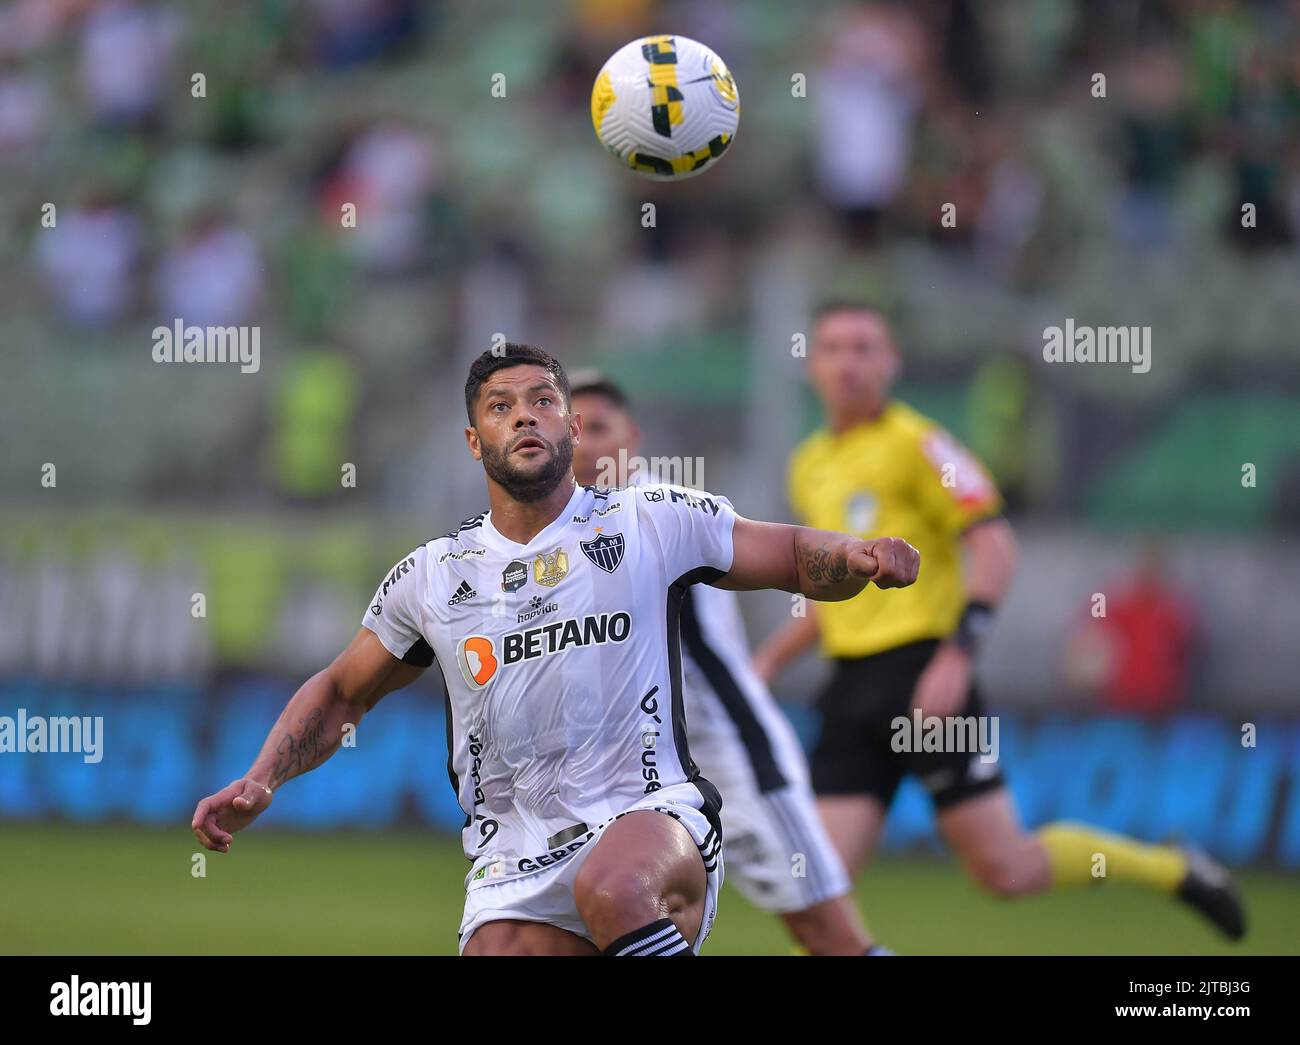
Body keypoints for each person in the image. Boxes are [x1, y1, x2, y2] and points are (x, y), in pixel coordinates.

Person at [191, 343, 920, 956]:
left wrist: (858, 556)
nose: (524, 415)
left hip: (652, 816)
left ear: (571, 425)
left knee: (614, 886)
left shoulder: (650, 519)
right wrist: (263, 778)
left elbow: (789, 553)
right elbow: (342, 691)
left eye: (542, 400)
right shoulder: (431, 577)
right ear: (475, 441)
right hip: (512, 853)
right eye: (501, 406)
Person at [754, 301, 1245, 941]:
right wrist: (766, 662)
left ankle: (1172, 867)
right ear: (811, 364)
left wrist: (957, 655)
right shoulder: (809, 463)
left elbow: (995, 547)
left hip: (923, 673)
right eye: (834, 348)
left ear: (892, 362)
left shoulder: (920, 445)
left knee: (1005, 870)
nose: (849, 362)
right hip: (851, 689)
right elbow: (831, 597)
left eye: (864, 347)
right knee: (816, 888)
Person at [569, 371, 887, 955]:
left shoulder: (661, 510)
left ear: (632, 436)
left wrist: (849, 557)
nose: (584, 444)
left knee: (828, 934)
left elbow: (788, 554)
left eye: (599, 428)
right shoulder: (553, 532)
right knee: (607, 920)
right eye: (572, 429)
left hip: (728, 747)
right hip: (631, 764)